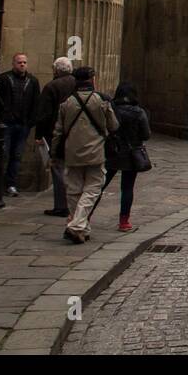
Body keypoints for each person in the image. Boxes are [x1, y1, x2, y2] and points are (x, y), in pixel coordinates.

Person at [53, 66, 118, 244]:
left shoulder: (67, 102)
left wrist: (54, 153)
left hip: (72, 152)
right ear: (92, 80)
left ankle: (82, 229)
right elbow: (113, 126)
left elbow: (58, 131)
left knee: (74, 190)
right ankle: (77, 225)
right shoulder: (102, 100)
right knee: (93, 189)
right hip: (95, 152)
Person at [96, 83, 151, 233]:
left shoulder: (111, 108)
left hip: (112, 151)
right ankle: (124, 221)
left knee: (99, 185)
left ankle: (85, 216)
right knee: (127, 187)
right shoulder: (139, 112)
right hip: (131, 153)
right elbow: (146, 134)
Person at [35, 57, 77, 217]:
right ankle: (74, 204)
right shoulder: (76, 84)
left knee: (58, 168)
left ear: (55, 70)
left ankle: (61, 205)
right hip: (76, 133)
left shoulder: (52, 86)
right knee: (73, 171)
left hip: (56, 134)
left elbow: (44, 114)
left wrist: (39, 134)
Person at [0, 53, 39, 197]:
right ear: (13, 64)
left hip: (23, 124)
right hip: (7, 123)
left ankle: (11, 184)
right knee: (3, 154)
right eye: (19, 62)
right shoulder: (4, 79)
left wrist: (31, 121)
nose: (22, 65)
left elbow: (35, 102)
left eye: (24, 62)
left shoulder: (32, 81)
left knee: (17, 155)